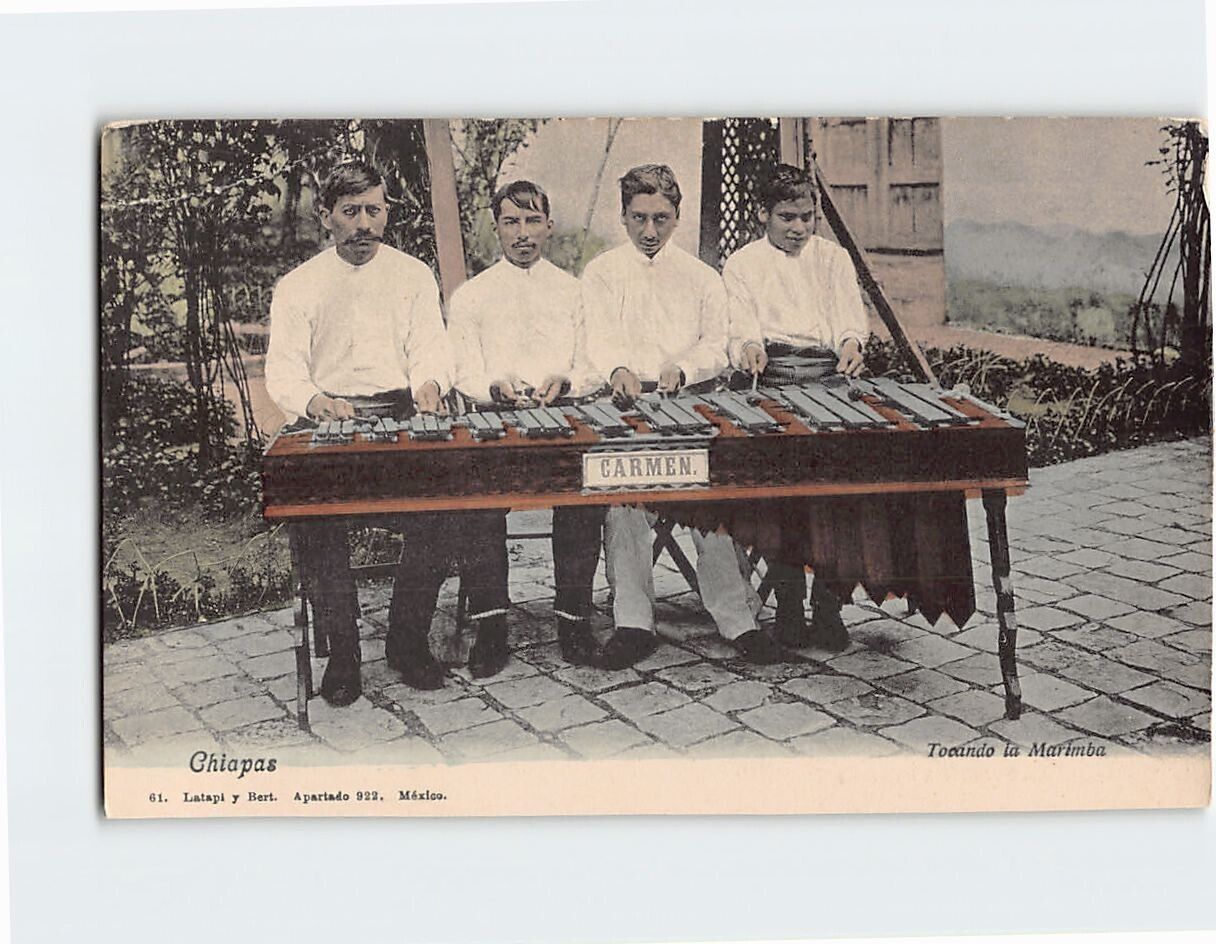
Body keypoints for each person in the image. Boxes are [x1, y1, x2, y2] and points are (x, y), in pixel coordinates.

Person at [265, 159, 509, 705]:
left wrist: (428, 382)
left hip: (401, 417)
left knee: (443, 509)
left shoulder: (412, 274)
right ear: (325, 216)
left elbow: (431, 346)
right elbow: (282, 370)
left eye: (373, 211)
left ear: (386, 213)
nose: (363, 225)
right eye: (350, 212)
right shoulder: (299, 285)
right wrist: (313, 401)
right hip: (329, 422)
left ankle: (406, 639)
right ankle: (346, 656)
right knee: (318, 519)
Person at [580, 164, 780, 668]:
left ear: (678, 216)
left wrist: (685, 368)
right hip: (623, 405)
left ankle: (737, 618)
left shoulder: (702, 277)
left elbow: (718, 343)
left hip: (688, 403)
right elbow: (595, 338)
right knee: (623, 498)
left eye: (662, 219)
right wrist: (618, 367)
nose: (650, 232)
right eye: (639, 218)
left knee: (707, 497)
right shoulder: (602, 273)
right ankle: (632, 620)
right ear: (623, 217)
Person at [446, 180, 603, 666]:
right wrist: (493, 384)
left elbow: (595, 362)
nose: (522, 234)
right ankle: (491, 626)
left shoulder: (575, 292)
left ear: (549, 227)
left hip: (561, 417)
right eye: (511, 222)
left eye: (533, 221)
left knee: (582, 497)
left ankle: (574, 621)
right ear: (496, 229)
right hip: (498, 420)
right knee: (478, 504)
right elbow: (462, 369)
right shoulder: (472, 296)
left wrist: (568, 379)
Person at [723, 162, 871, 652]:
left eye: (807, 217)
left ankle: (829, 609)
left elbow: (850, 319)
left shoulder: (832, 260)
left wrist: (851, 343)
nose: (798, 228)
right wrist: (747, 347)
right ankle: (787, 607)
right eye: (787, 217)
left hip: (829, 378)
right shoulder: (742, 264)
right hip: (774, 379)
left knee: (838, 495)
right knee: (782, 494)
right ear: (762, 214)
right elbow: (740, 325)